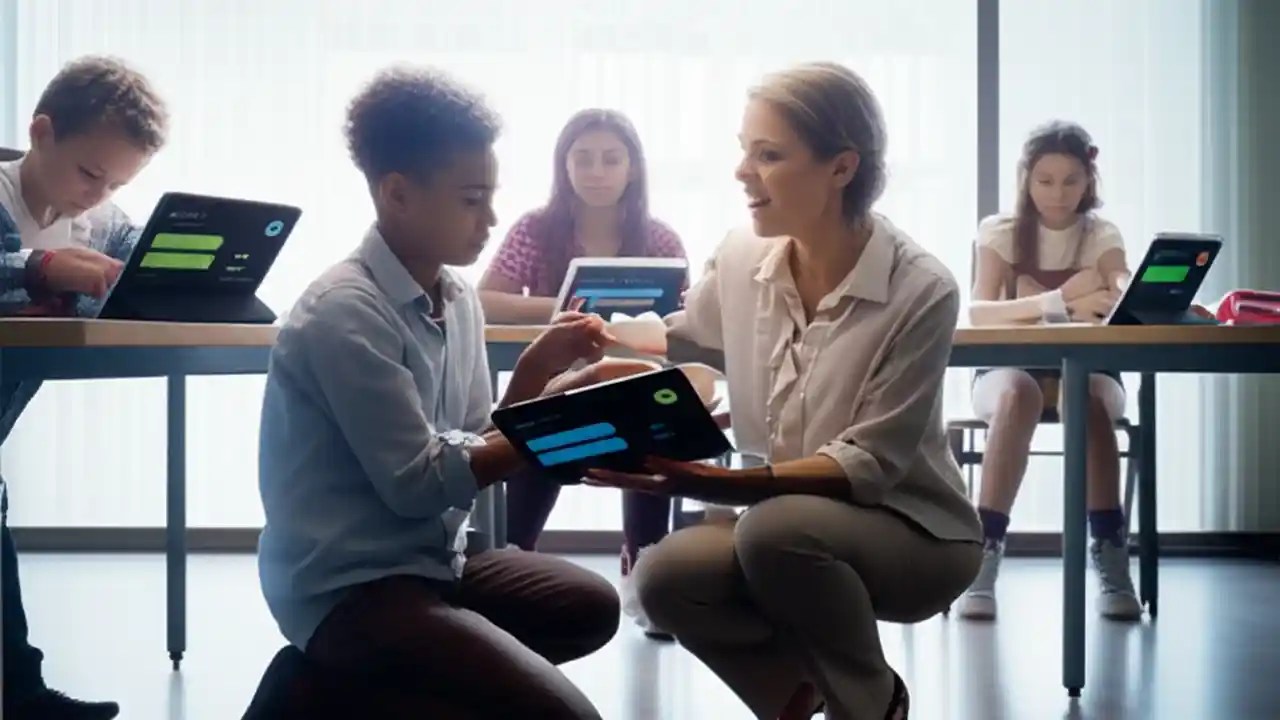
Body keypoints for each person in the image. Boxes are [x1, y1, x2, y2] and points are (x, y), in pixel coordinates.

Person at [582, 62, 983, 720]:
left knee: (773, 531)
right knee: (663, 579)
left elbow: (869, 466)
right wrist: (600, 346)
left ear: (841, 168)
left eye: (767, 155)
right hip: (782, 519)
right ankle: (793, 701)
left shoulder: (921, 288)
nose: (743, 171)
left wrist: (712, 485)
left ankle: (872, 705)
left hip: (917, 533)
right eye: (745, 151)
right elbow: (687, 336)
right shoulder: (743, 255)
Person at [243, 66, 619, 720]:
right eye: (472, 199)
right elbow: (419, 484)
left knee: (591, 606)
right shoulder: (345, 313)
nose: (492, 218)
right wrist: (561, 425)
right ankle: (336, 664)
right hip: (347, 589)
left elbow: (470, 447)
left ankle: (329, 684)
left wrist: (536, 375)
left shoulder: (457, 297)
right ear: (397, 194)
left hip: (430, 566)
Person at [0, 55, 169, 720]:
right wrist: (44, 269)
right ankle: (22, 692)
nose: (98, 192)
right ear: (41, 132)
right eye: (89, 172)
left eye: (118, 181)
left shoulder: (101, 222)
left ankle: (21, 692)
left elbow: (132, 285)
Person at [477, 108, 688, 637]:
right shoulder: (536, 228)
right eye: (583, 158)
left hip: (632, 385)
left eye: (611, 159)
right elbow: (484, 299)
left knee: (652, 427)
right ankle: (512, 561)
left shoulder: (659, 238)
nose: (597, 170)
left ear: (632, 168)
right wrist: (562, 312)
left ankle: (645, 570)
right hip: (553, 388)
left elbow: (684, 318)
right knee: (538, 435)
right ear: (564, 166)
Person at [957, 121, 1142, 622]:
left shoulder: (1100, 233)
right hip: (1005, 371)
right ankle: (983, 554)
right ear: (1026, 179)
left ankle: (1110, 555)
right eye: (1045, 180)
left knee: (1087, 396)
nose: (1057, 193)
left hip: (1090, 372)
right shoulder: (999, 230)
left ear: (1089, 181)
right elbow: (980, 312)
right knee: (1019, 393)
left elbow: (1120, 298)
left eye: (1071, 180)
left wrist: (1031, 304)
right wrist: (1068, 298)